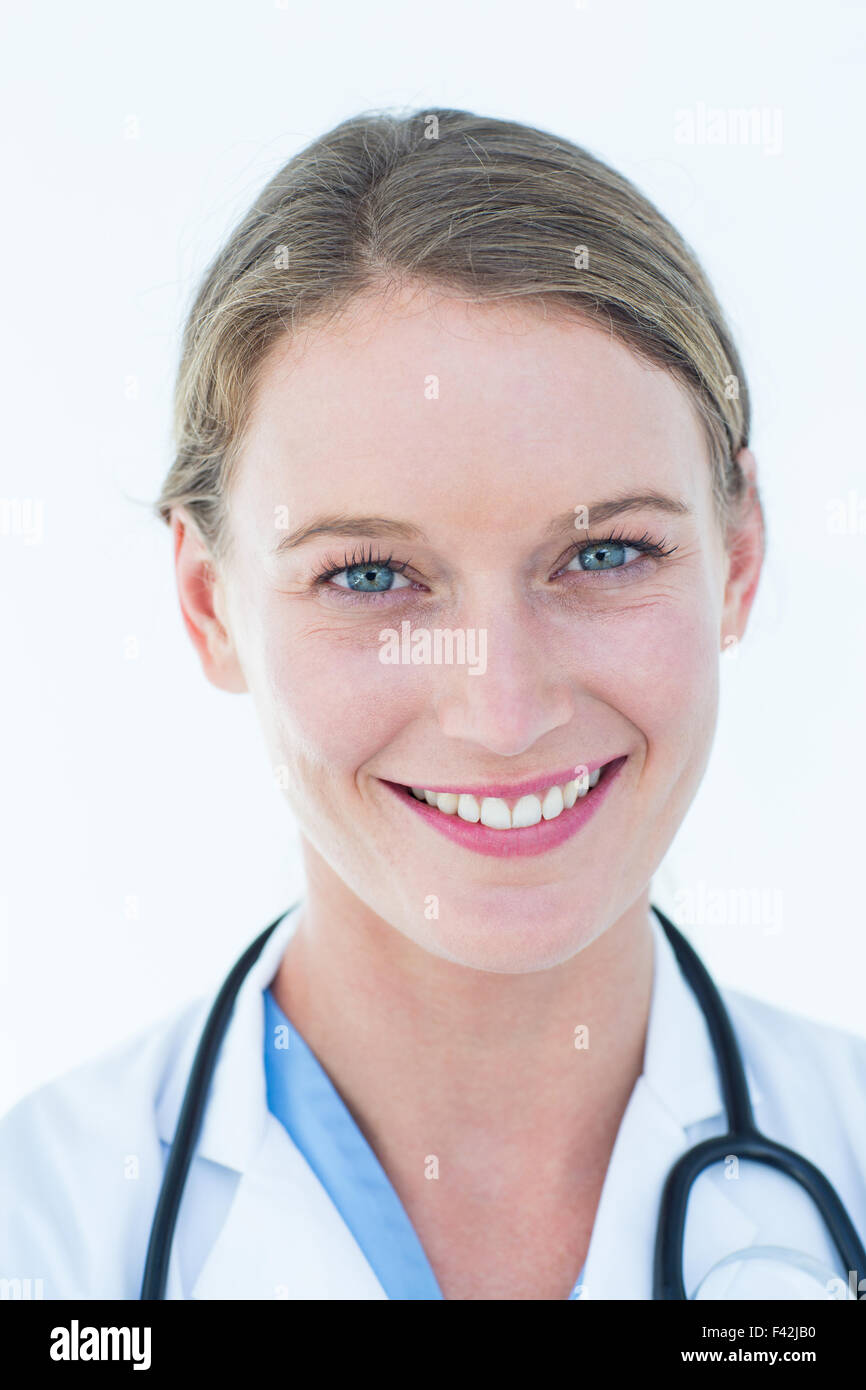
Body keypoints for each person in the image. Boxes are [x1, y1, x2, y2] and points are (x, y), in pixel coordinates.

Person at [2, 107, 865, 1302]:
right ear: (207, 603)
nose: (502, 709)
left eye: (605, 554)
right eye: (367, 576)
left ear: (739, 555)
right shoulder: (39, 1233)